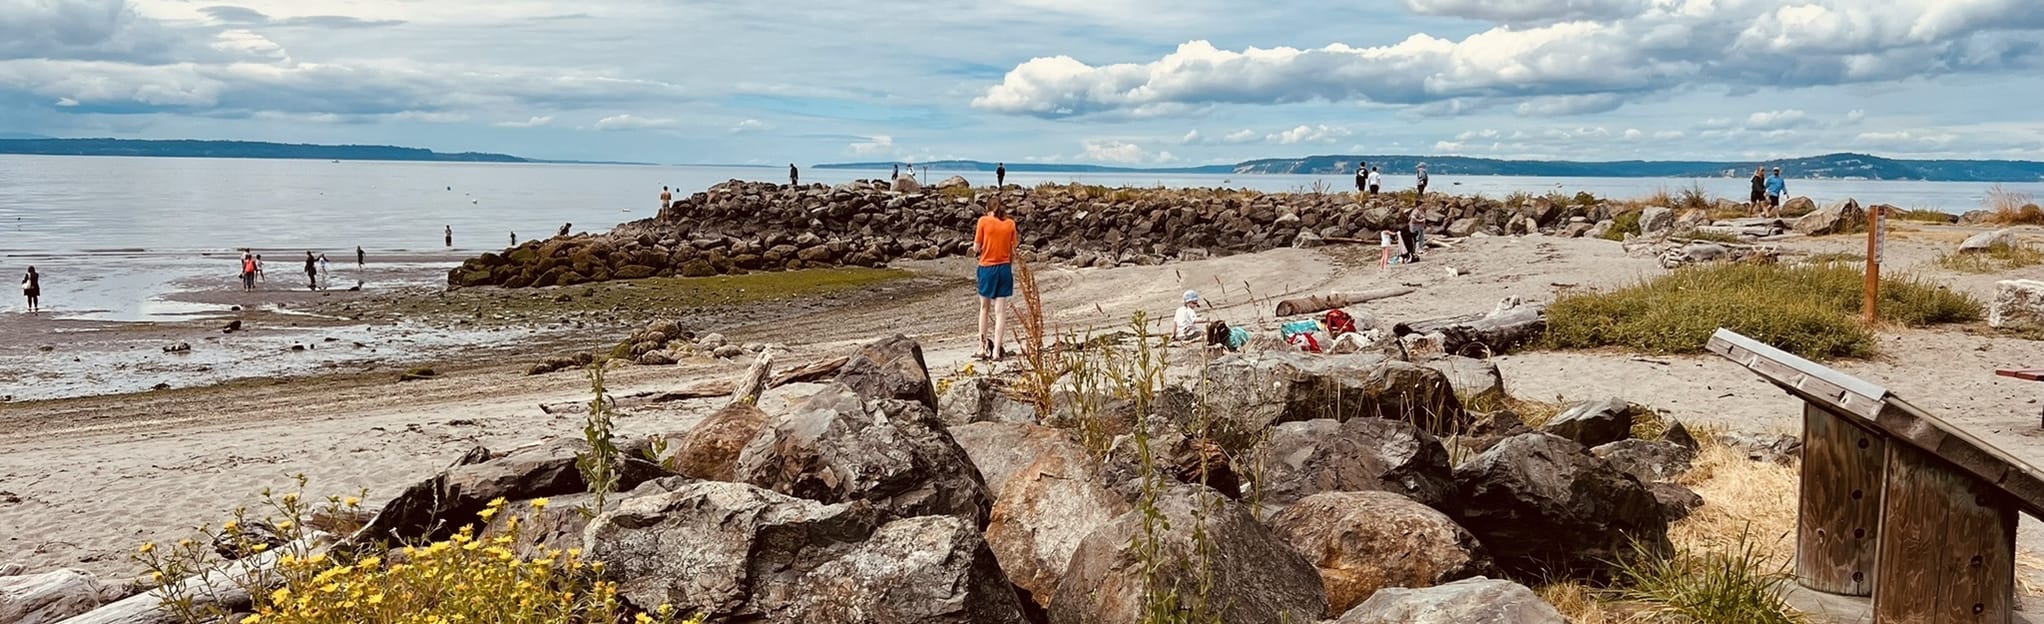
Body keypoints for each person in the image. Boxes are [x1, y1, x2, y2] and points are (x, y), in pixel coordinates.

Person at [972, 197, 1018, 361]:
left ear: (987, 208)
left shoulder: (983, 221)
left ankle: (982, 347)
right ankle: (997, 351)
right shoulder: (1010, 224)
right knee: (1001, 312)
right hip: (1004, 268)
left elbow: (976, 247)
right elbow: (1013, 250)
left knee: (984, 309)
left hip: (987, 268)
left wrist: (980, 249)